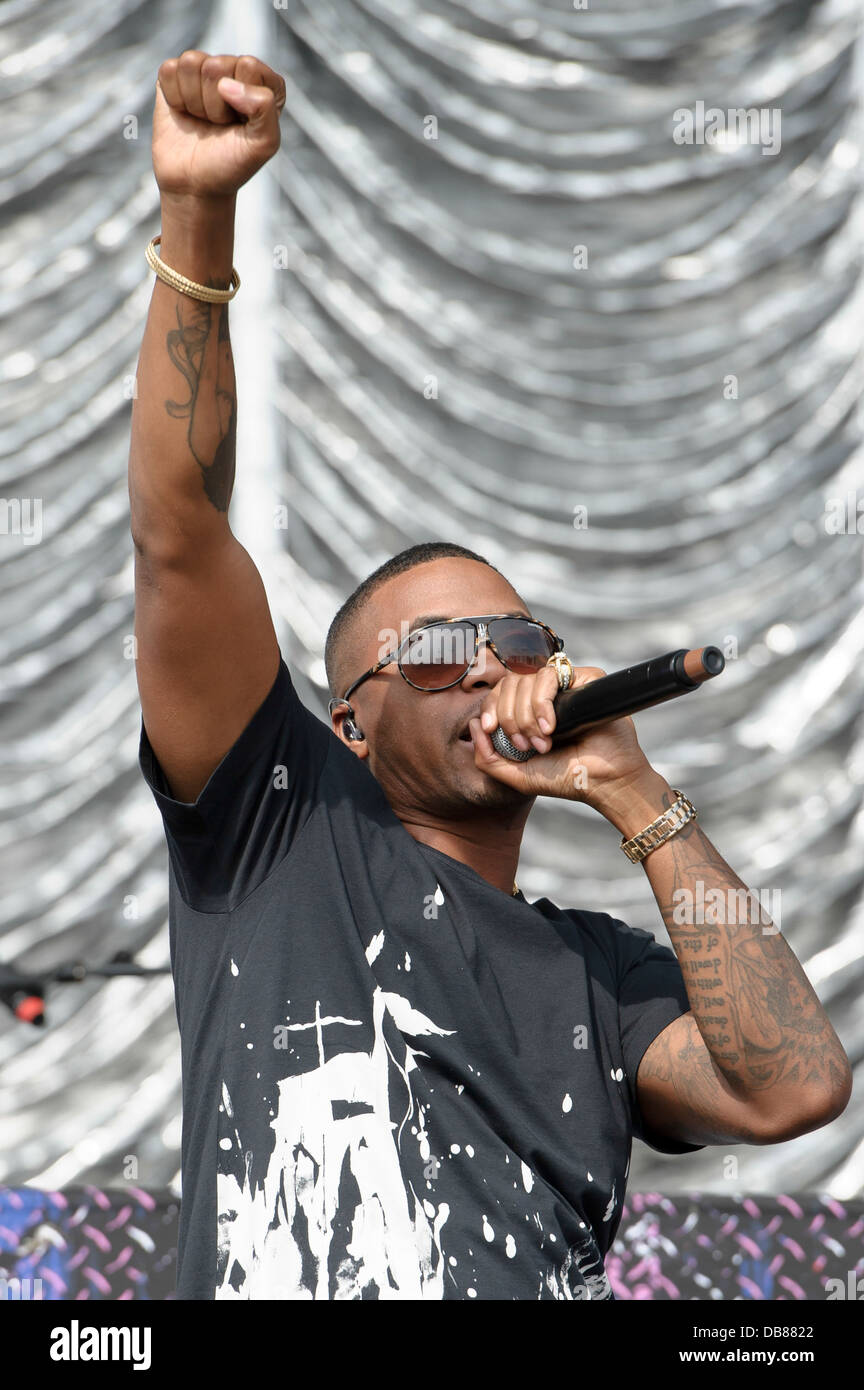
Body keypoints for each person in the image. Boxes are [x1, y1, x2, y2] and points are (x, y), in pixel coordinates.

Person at [129, 51, 852, 1301]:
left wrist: (637, 793)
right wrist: (201, 209)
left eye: (516, 640)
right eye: (440, 651)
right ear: (350, 721)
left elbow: (791, 1088)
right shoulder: (278, 826)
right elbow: (180, 530)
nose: (490, 668)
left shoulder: (598, 971)